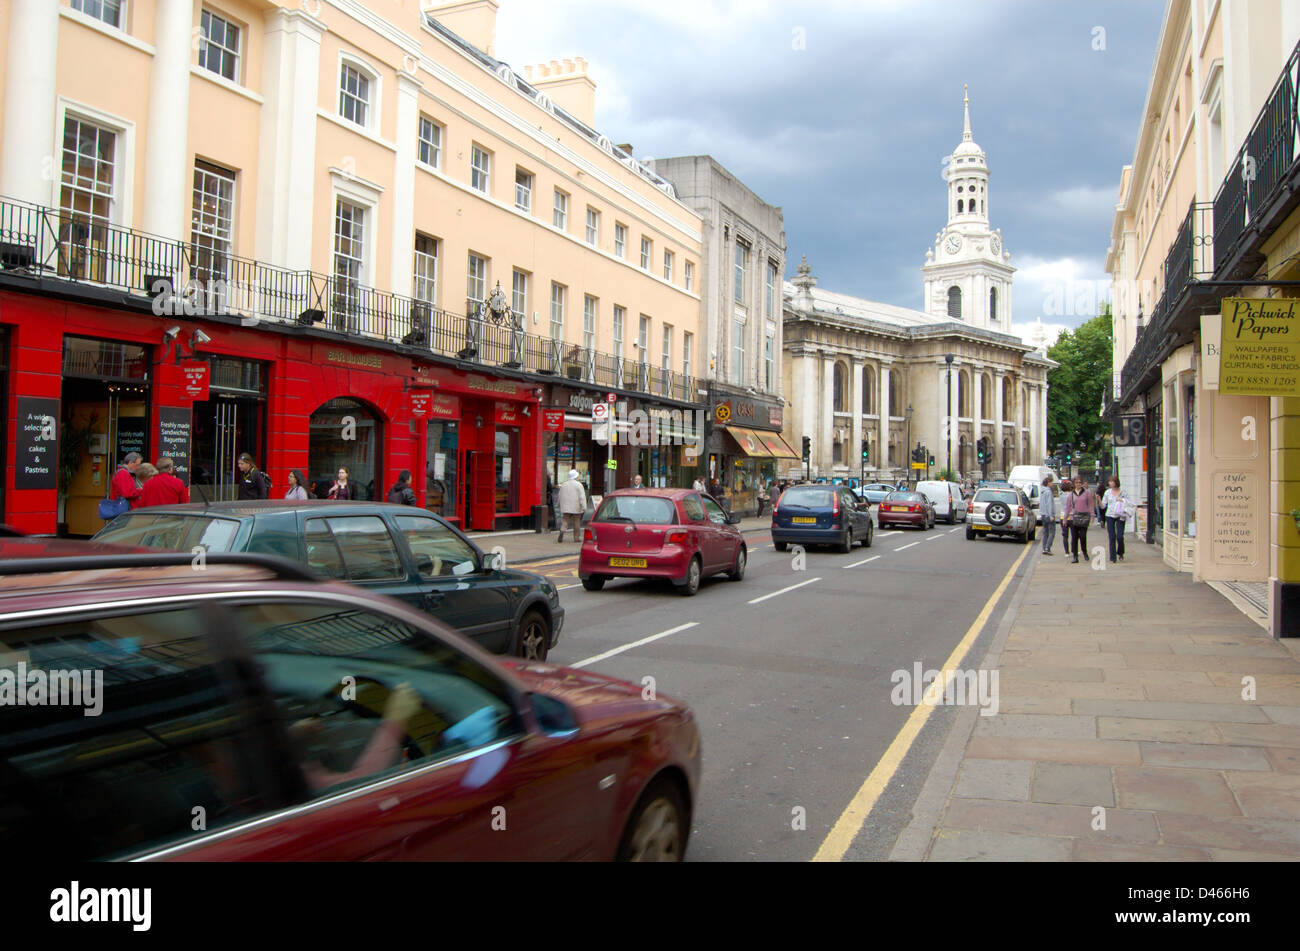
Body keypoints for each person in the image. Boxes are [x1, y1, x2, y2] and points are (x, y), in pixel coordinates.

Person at [1063, 478, 1098, 564]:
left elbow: (1090, 504)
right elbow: (1068, 507)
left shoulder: (1087, 493)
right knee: (1074, 538)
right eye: (1076, 482)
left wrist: (1092, 516)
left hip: (1084, 517)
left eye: (1080, 482)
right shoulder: (1071, 495)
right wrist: (1065, 519)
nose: (1078, 484)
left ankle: (1084, 552)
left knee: (1082, 536)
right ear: (1074, 484)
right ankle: (1075, 556)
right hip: (1073, 518)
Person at [1100, 475, 1132, 563]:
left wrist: (1121, 500)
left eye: (1112, 481)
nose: (1110, 483)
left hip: (1120, 515)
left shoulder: (1123, 492)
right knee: (1112, 536)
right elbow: (1103, 506)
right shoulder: (1107, 492)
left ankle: (1120, 552)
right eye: (1109, 481)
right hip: (1110, 515)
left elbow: (1129, 502)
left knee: (1120, 536)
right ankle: (1112, 557)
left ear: (1116, 482)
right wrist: (1098, 501)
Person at [556, 468, 586, 543]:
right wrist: (584, 507)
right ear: (575, 476)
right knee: (576, 522)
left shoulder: (564, 484)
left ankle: (562, 531)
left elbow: (559, 496)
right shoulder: (579, 485)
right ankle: (576, 538)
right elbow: (582, 497)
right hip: (576, 507)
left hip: (566, 507)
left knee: (565, 520)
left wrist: (558, 504)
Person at [1038, 474, 1057, 556]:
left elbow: (1041, 504)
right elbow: (1049, 504)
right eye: (1051, 482)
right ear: (1048, 483)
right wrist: (1051, 515)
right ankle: (1047, 548)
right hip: (1048, 515)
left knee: (1045, 532)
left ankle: (1044, 548)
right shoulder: (1048, 492)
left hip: (1043, 514)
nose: (1052, 484)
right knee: (1052, 532)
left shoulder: (1042, 491)